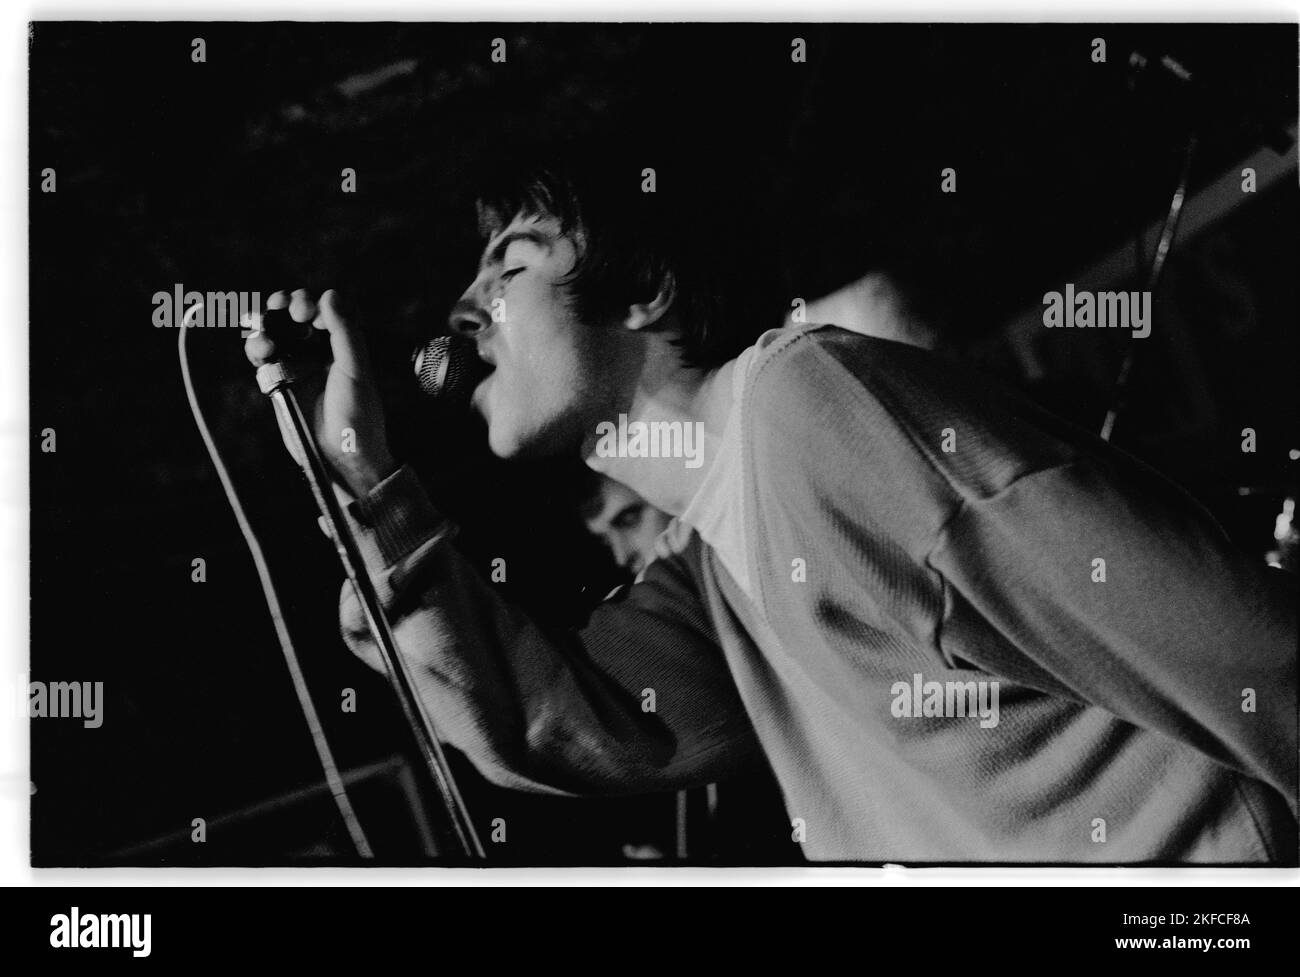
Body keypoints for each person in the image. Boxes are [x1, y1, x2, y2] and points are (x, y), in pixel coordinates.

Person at [245, 146, 1297, 863]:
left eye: (507, 265)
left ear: (644, 288)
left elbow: (1251, 655)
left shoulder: (807, 403)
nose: (462, 308)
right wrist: (359, 475)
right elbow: (548, 726)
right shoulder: (713, 564)